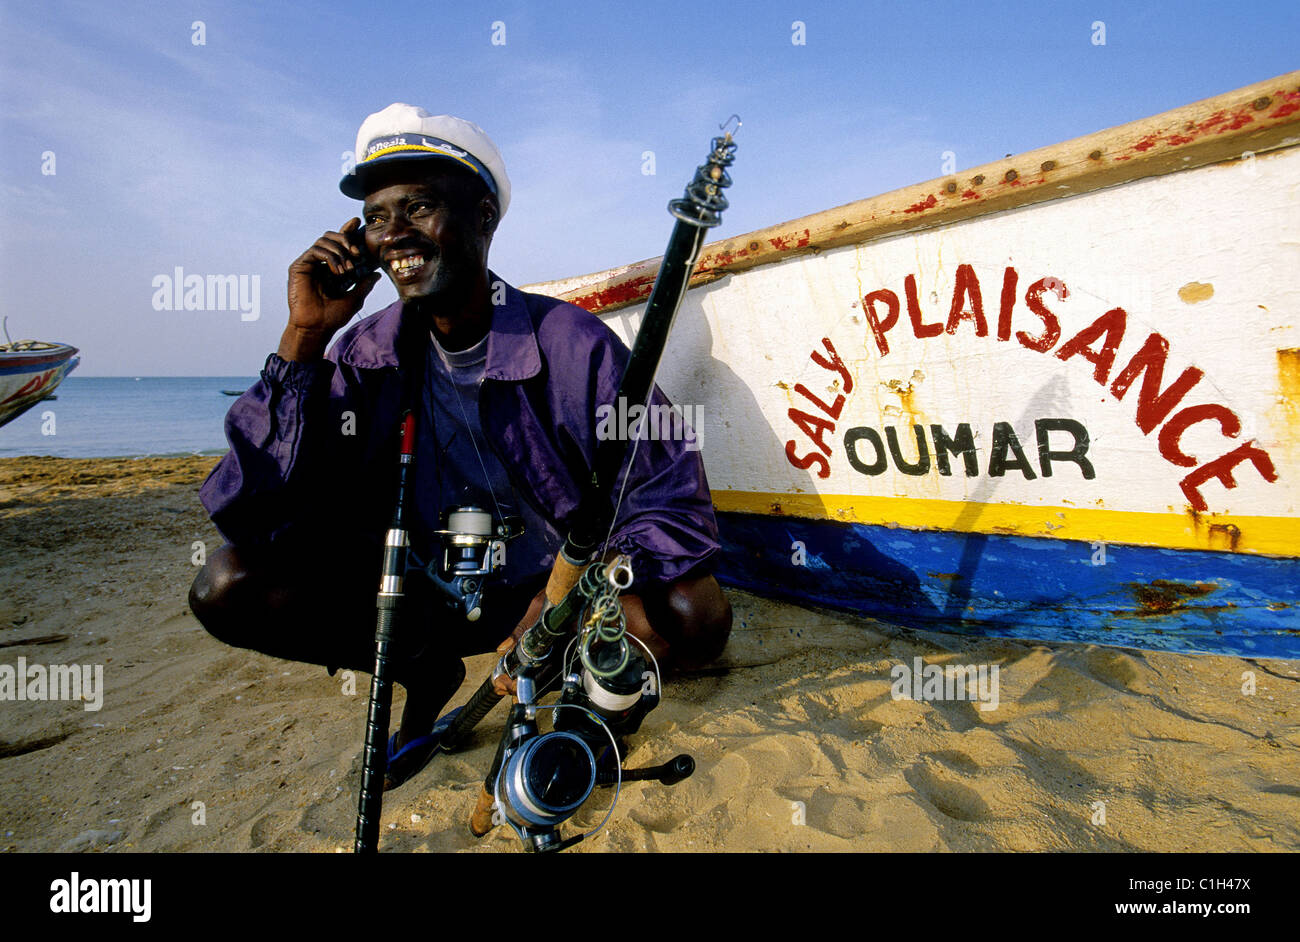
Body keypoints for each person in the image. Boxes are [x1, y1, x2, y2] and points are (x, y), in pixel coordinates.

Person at [188, 104, 731, 790]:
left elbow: (672, 501)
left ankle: (586, 717)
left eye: (418, 207)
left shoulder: (573, 345)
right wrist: (303, 339)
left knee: (694, 611)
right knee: (227, 583)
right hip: (421, 592)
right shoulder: (362, 354)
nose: (396, 235)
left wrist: (578, 593)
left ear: (483, 217)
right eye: (378, 217)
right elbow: (255, 512)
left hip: (544, 597)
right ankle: (424, 670)